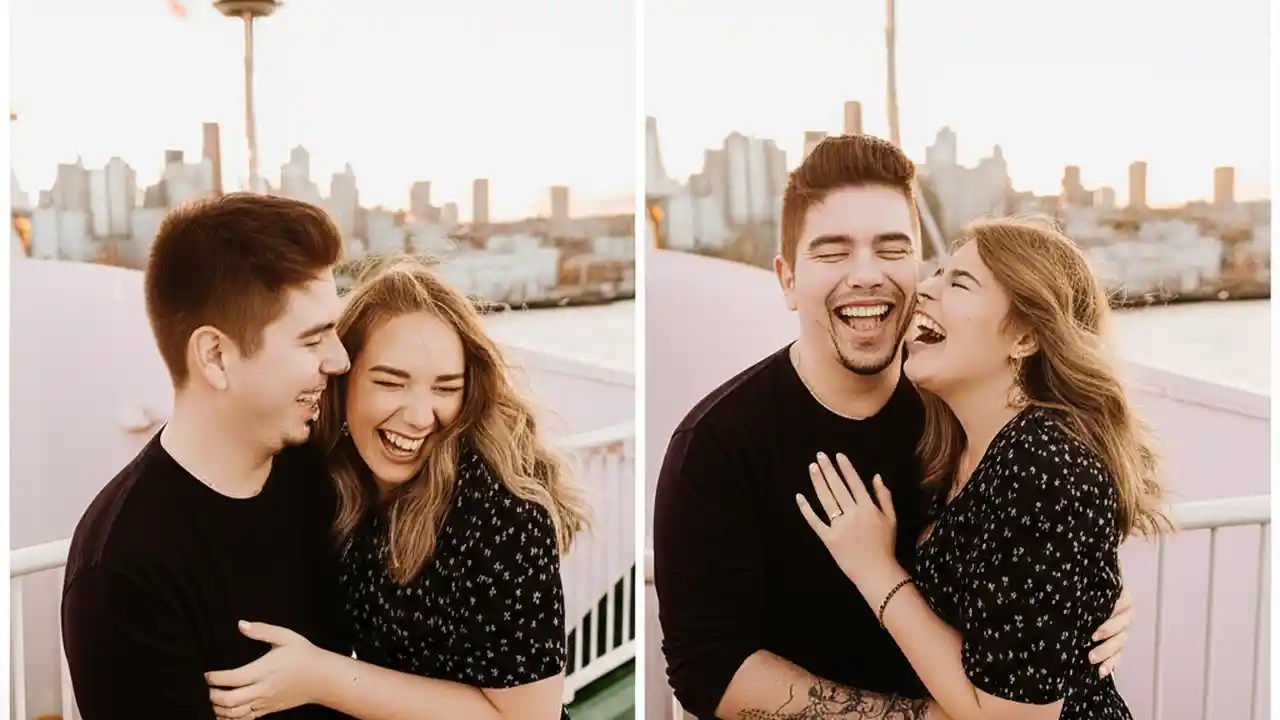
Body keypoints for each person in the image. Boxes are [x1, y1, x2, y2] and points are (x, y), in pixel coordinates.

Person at [652, 135, 1134, 719]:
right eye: (833, 252)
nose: (866, 275)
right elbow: (709, 669)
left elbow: (1032, 551)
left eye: (891, 248)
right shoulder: (715, 445)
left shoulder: (954, 408)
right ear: (786, 279)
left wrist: (1087, 601)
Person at [798, 217, 1166, 719]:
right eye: (936, 274)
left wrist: (875, 569)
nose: (923, 290)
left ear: (1024, 336)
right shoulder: (960, 445)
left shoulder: (1045, 468)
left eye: (959, 282)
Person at [204, 257, 590, 720]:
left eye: (445, 388)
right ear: (342, 382)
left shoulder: (502, 515)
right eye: (390, 382)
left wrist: (320, 679)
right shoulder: (328, 474)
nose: (420, 416)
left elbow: (528, 718)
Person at [61, 193, 353, 719]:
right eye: (312, 341)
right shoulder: (121, 570)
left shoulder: (319, 473)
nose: (340, 358)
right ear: (216, 356)